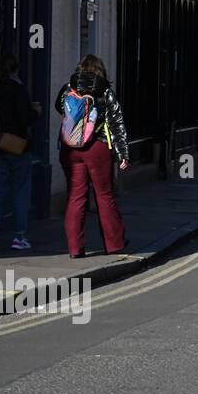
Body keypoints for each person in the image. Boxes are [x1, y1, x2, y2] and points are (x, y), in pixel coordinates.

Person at [55, 54, 129, 258]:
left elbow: (59, 108)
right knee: (104, 196)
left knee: (75, 197)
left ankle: (75, 249)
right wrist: (123, 153)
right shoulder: (105, 91)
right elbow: (117, 123)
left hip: (71, 148)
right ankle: (114, 244)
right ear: (100, 70)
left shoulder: (68, 88)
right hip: (98, 148)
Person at [0, 54, 40, 251]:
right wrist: (36, 112)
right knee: (20, 190)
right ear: (16, 69)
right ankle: (19, 237)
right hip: (17, 147)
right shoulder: (19, 89)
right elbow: (24, 119)